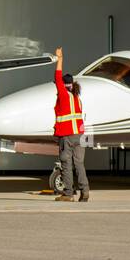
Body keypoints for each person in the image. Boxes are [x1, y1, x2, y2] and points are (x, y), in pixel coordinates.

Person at [52, 47, 88, 203]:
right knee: (79, 164)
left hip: (67, 136)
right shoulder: (76, 98)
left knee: (66, 164)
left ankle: (68, 193)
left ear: (63, 85)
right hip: (80, 136)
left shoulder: (64, 95)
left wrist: (60, 58)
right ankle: (85, 191)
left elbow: (57, 76)